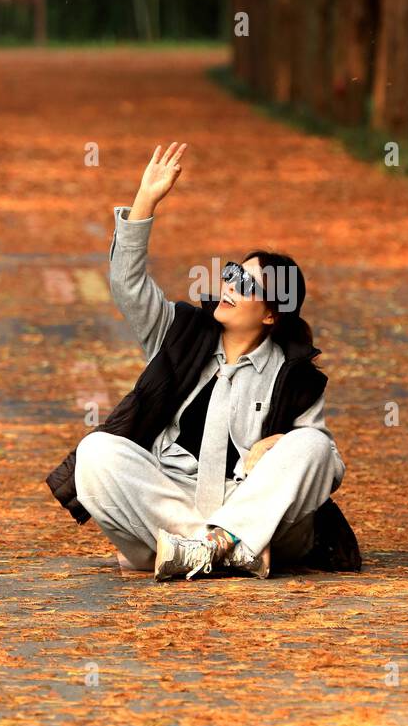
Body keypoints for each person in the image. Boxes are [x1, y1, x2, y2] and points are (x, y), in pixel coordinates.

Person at [46, 142, 359, 581]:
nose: (229, 284)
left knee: (314, 446)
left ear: (271, 314)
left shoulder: (295, 375)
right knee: (96, 452)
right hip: (173, 500)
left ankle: (208, 547)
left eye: (246, 284)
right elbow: (128, 285)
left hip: (255, 510)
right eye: (232, 273)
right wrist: (146, 200)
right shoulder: (180, 332)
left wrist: (281, 443)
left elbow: (327, 467)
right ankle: (222, 549)